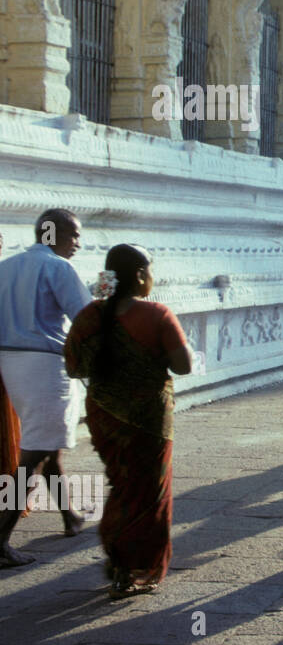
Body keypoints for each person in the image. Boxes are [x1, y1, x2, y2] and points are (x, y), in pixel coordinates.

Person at [63, 244, 192, 598]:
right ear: (139, 275)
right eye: (149, 270)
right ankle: (137, 569)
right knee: (149, 492)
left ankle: (120, 562)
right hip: (149, 418)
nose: (152, 277)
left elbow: (74, 367)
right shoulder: (157, 315)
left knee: (123, 484)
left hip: (105, 416)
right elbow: (183, 366)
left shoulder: (90, 315)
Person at [0, 209, 93, 568]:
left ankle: (69, 516)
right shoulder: (57, 267)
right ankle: (0, 537)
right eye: (74, 236)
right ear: (53, 235)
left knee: (46, 446)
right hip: (44, 364)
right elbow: (84, 319)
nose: (78, 244)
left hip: (11, 364)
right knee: (35, 454)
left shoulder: (6, 267)